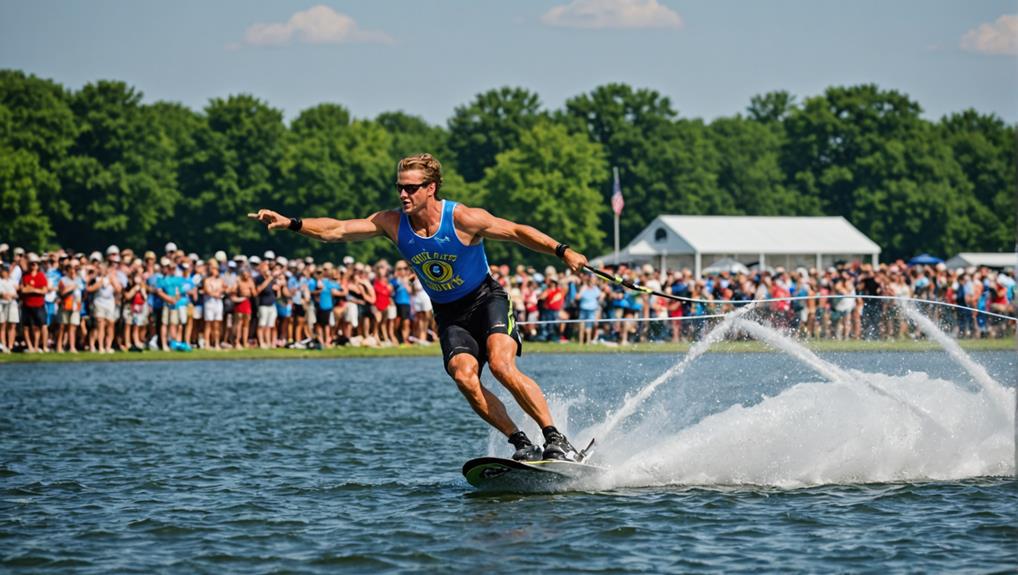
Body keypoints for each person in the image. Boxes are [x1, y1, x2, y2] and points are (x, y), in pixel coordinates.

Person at [249, 153, 588, 461]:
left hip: (487, 300)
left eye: (411, 188)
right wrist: (293, 222)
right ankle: (521, 444)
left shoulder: (463, 218)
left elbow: (516, 231)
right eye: (400, 187)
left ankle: (556, 439)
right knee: (464, 376)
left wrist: (563, 251)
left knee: (501, 364)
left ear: (431, 188)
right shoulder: (392, 223)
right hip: (449, 313)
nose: (403, 194)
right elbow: (336, 230)